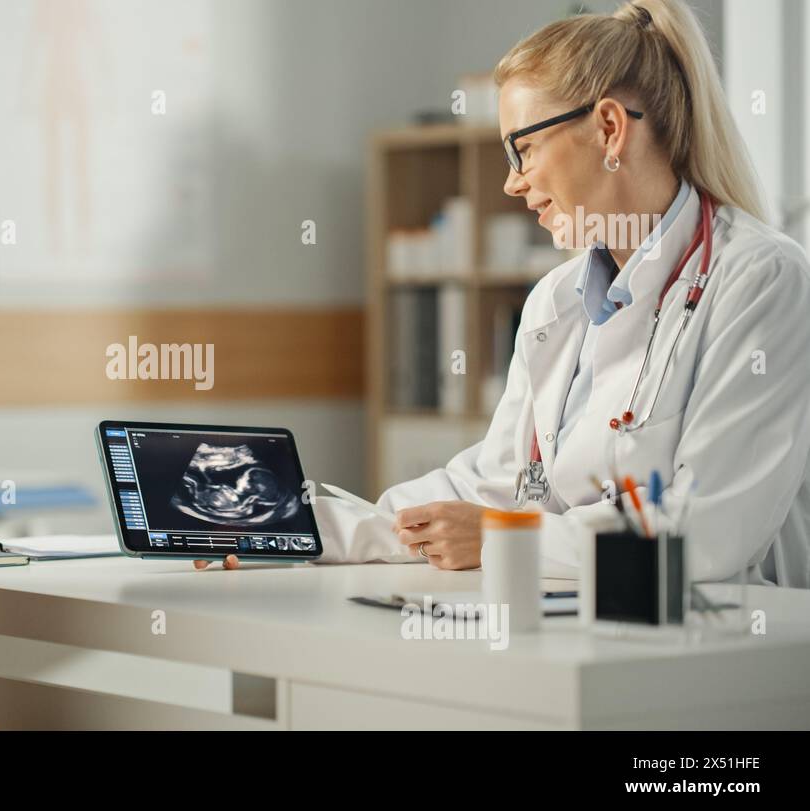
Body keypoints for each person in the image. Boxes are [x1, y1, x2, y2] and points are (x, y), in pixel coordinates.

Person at [199, 0, 810, 587]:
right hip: (586, 624)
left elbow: (710, 531)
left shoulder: (758, 279)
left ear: (608, 128)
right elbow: (492, 487)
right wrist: (286, 527)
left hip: (726, 642)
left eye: (523, 148)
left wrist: (500, 535)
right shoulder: (556, 301)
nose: (512, 183)